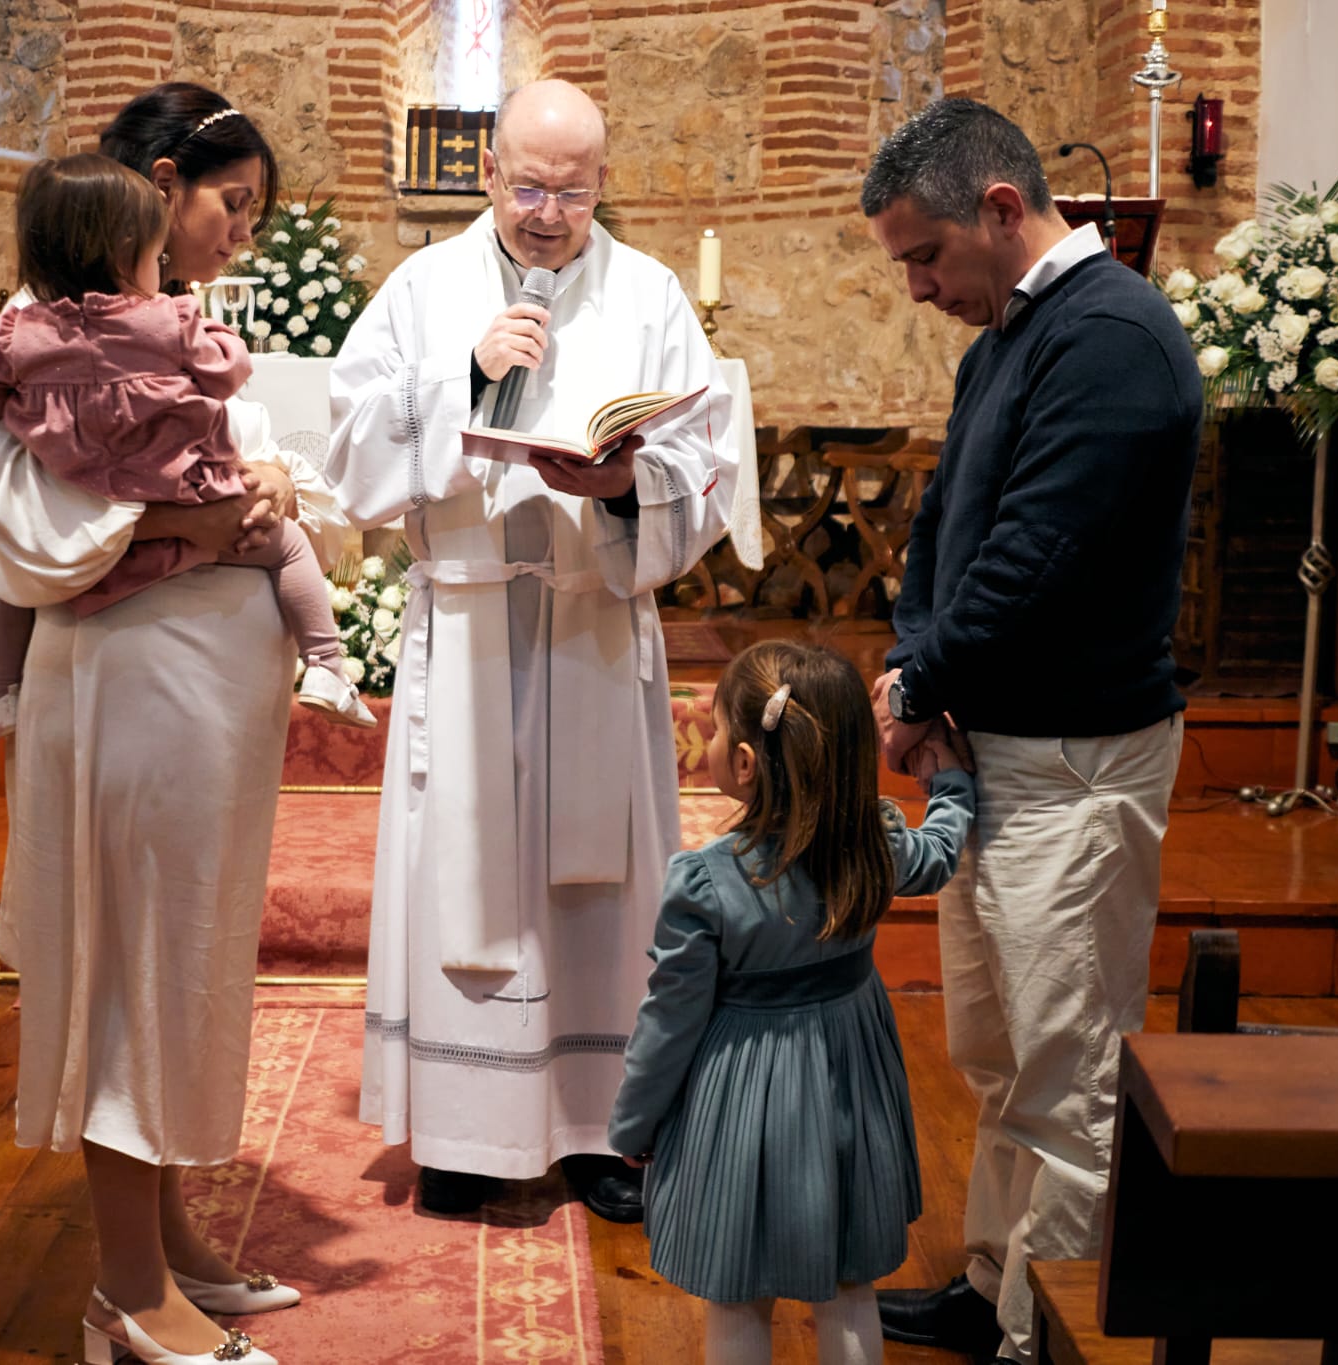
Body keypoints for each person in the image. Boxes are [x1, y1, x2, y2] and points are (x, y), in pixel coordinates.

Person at [326, 78, 740, 1223]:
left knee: (599, 892)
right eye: (527, 185)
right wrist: (459, 374)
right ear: (487, 172)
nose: (548, 210)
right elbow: (350, 447)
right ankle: (464, 1134)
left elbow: (706, 461)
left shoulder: (649, 292)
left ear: (604, 181)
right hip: (466, 627)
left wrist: (622, 485)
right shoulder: (424, 288)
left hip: (591, 625)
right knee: (470, 877)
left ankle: (602, 1131)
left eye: (572, 188)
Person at [0, 84, 338, 1365]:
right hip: (131, 680)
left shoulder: (183, 326)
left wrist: (266, 488)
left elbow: (242, 483)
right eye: (231, 204)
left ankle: (170, 1238)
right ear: (163, 185)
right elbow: (21, 529)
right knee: (130, 969)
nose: (243, 231)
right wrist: (195, 523)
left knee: (183, 958)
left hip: (204, 688)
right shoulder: (37, 334)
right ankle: (126, 1292)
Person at [858, 97, 1201, 1364]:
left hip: (1073, 762)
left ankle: (1039, 1337)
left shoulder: (1110, 336)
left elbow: (1035, 563)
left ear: (1001, 209)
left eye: (924, 255)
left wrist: (914, 683)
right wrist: (911, 654)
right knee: (998, 1050)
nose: (914, 287)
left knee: (1066, 1067)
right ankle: (996, 1282)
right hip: (999, 752)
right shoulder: (1010, 334)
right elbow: (943, 529)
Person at [608, 640, 975, 1365]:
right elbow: (940, 852)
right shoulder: (871, 842)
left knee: (739, 1292)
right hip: (851, 1082)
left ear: (743, 763)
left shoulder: (706, 883)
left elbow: (669, 1022)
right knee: (849, 1284)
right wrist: (954, 782)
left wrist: (634, 1121)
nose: (709, 743)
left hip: (742, 1099)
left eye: (714, 730)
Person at [0, 153, 372, 748]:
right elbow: (228, 369)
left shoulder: (18, 333)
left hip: (92, 544)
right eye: (153, 247)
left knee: (6, 583)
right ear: (126, 250)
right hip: (179, 508)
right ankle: (326, 667)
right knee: (287, 547)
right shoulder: (165, 318)